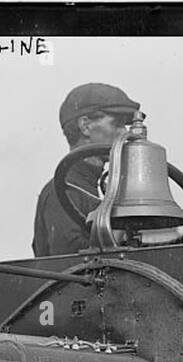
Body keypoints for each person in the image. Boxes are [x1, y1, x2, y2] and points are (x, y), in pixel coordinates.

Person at [32, 83, 140, 257]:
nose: (124, 133)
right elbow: (71, 261)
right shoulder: (62, 190)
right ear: (85, 126)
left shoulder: (90, 189)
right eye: (117, 124)